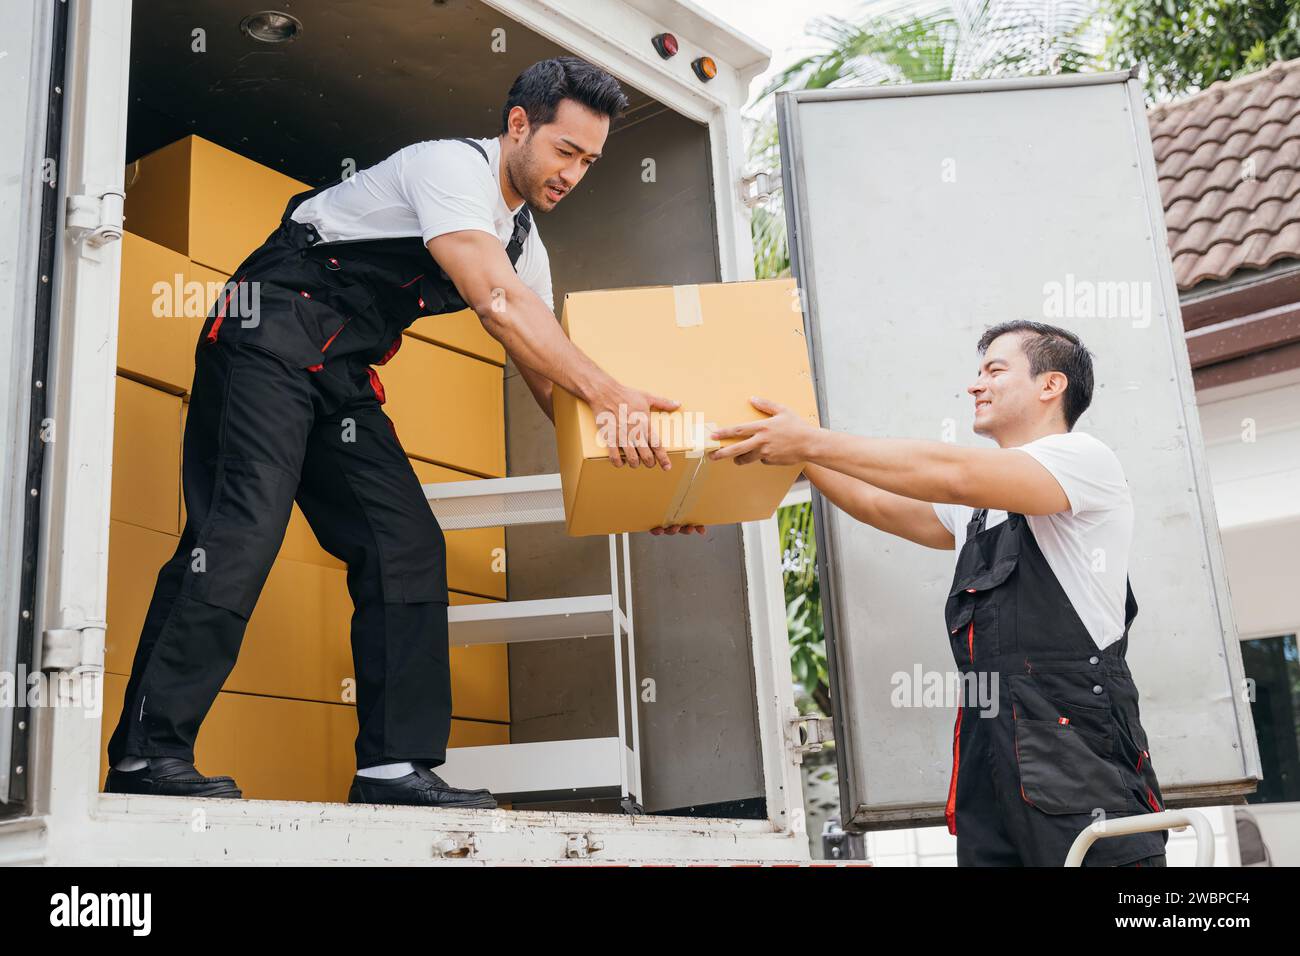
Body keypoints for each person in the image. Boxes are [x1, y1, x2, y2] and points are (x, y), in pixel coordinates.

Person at [106, 57, 685, 808]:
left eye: (590, 161)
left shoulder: (524, 247)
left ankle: (390, 769)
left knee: (404, 544)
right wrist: (610, 392)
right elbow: (499, 306)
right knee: (238, 532)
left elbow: (546, 376)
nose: (573, 173)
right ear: (519, 125)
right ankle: (146, 758)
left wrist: (644, 486)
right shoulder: (449, 168)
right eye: (565, 151)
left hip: (338, 375)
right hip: (265, 338)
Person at [707, 320, 1169, 867]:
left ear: (1051, 385)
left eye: (995, 370)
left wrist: (811, 438)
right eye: (976, 373)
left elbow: (949, 473)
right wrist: (800, 456)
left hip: (1076, 748)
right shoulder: (978, 507)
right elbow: (879, 504)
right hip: (991, 747)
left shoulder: (1084, 460)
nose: (976, 385)